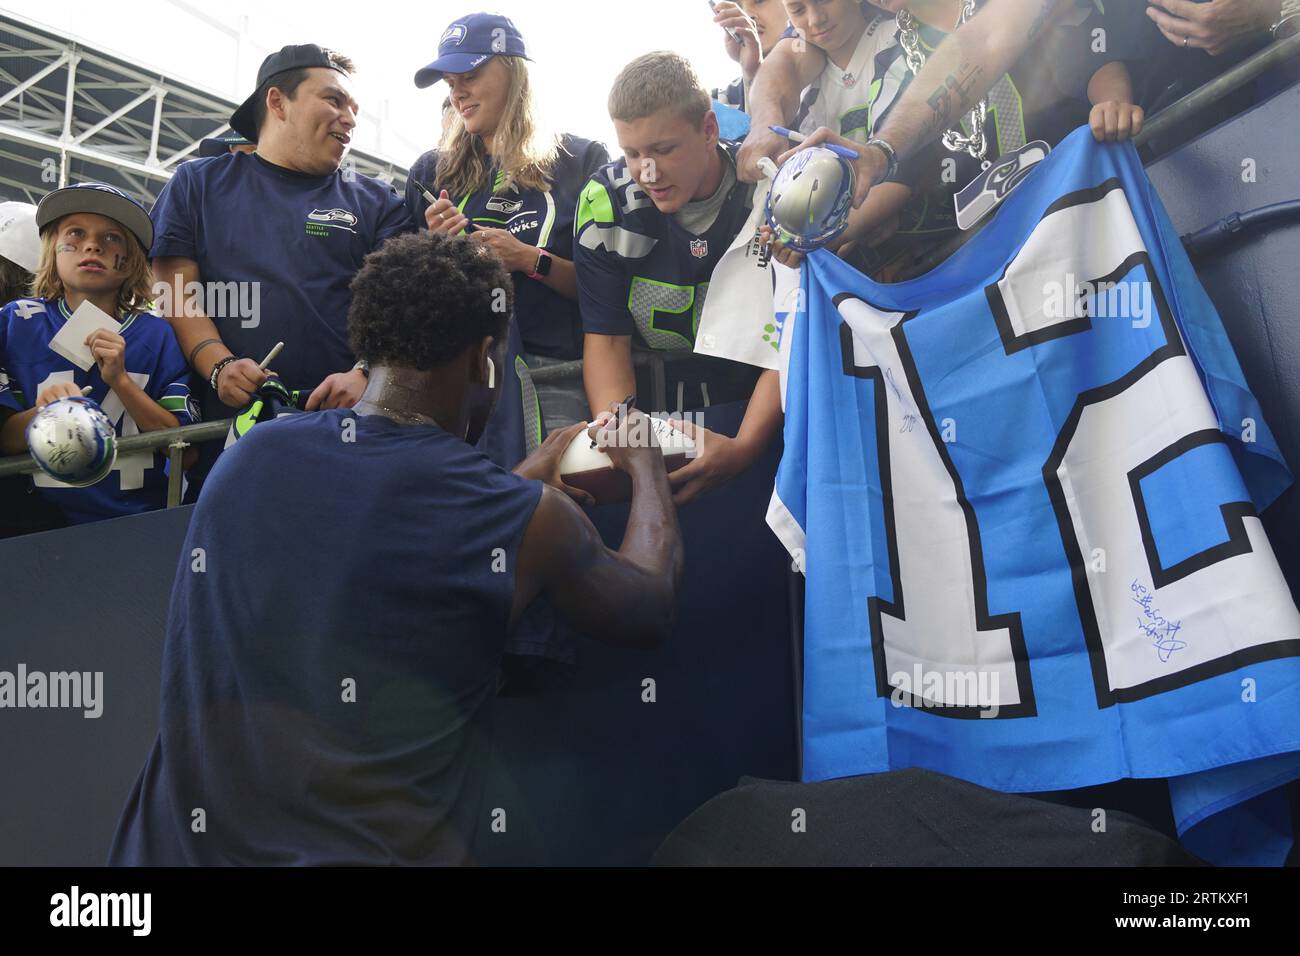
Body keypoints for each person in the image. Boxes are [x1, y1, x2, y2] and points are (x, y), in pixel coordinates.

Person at [108, 231, 684, 866]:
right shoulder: (520, 519)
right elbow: (648, 605)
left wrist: (516, 480)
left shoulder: (251, 456)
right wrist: (647, 465)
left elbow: (375, 535)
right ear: (483, 359)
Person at [149, 44, 416, 500]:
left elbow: (405, 306)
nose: (350, 119)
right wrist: (219, 365)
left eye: (354, 109)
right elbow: (175, 292)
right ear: (277, 102)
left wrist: (367, 372)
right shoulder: (198, 183)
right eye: (334, 100)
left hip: (348, 437)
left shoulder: (378, 202)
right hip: (225, 440)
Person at [576, 51, 784, 505]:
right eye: (632, 153)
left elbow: (792, 328)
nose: (647, 172)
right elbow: (606, 341)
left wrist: (747, 445)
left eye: (663, 149)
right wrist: (624, 438)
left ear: (709, 130)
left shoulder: (768, 190)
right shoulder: (606, 203)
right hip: (659, 410)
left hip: (762, 408)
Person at [407, 14, 610, 448]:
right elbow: (404, 301)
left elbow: (608, 293)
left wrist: (530, 260)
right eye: (449, 81)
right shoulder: (430, 171)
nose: (458, 91)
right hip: (458, 382)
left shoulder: (582, 159)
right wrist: (436, 253)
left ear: (514, 70)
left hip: (552, 374)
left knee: (554, 508)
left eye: (471, 74)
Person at [0, 183, 196, 525]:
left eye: (112, 238)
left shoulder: (159, 334)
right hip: (32, 527)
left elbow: (185, 450)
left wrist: (121, 381)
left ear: (132, 260)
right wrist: (44, 414)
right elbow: (4, 437)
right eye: (76, 233)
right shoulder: (16, 322)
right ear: (53, 250)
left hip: (133, 524)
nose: (92, 245)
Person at [711, 0, 793, 112]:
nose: (747, 15)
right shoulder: (720, 107)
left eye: (759, 1)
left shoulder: (822, 77)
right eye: (737, 6)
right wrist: (751, 72)